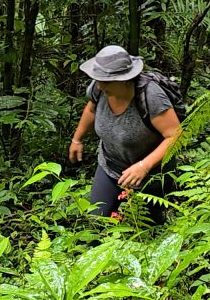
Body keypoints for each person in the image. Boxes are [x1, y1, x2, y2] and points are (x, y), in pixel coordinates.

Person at [68, 44, 182, 220]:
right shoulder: (100, 88)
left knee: (148, 232)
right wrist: (77, 139)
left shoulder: (150, 96)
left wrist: (144, 166)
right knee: (96, 223)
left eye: (105, 81)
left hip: (151, 175)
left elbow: (175, 135)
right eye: (98, 79)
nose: (99, 84)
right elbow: (91, 110)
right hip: (111, 165)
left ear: (124, 79)